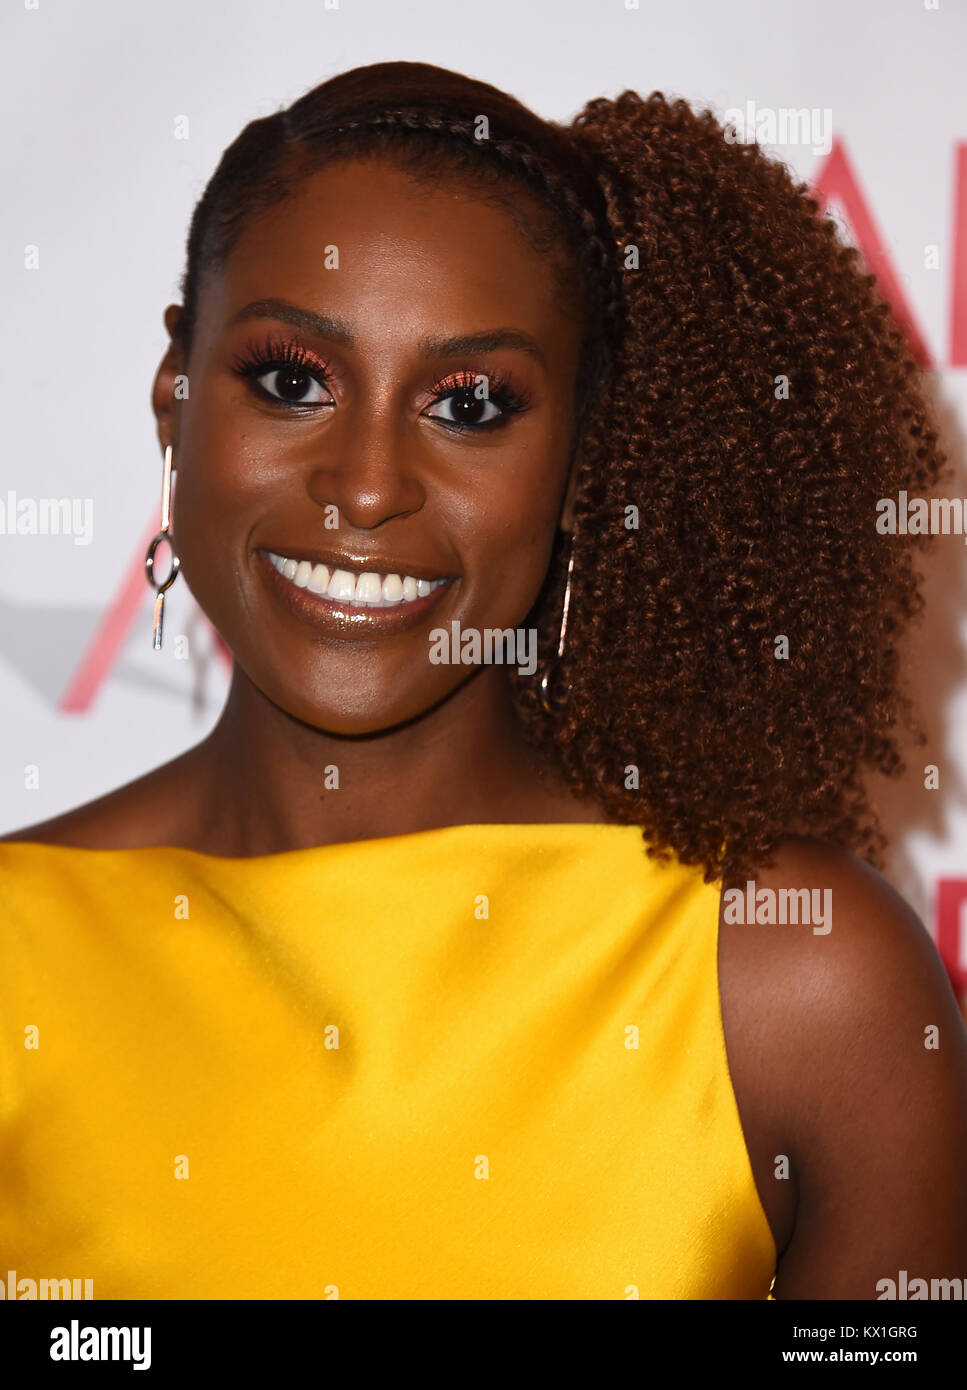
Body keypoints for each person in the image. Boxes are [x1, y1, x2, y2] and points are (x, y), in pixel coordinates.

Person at [1, 60, 965, 1301]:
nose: (364, 485)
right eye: (294, 379)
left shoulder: (792, 984)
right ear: (174, 394)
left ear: (579, 462)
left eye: (469, 404)